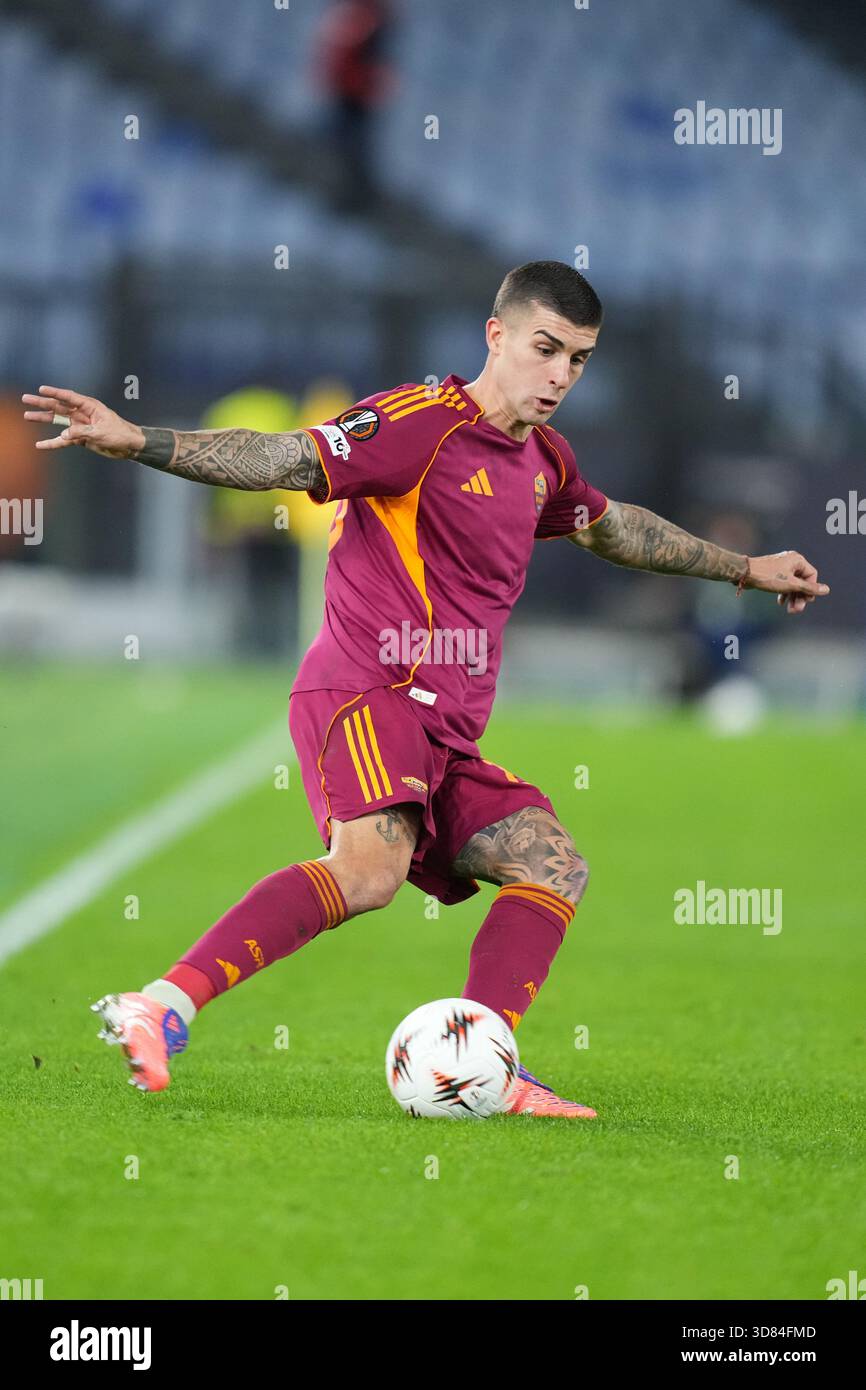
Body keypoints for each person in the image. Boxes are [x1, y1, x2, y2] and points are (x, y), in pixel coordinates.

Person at [22, 261, 829, 1117]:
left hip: (446, 729)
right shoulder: (419, 424)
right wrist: (141, 439)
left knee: (552, 865)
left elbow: (614, 527)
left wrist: (743, 567)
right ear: (497, 336)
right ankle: (161, 1006)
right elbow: (284, 457)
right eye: (545, 348)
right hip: (364, 689)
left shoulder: (544, 460)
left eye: (579, 359)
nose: (560, 374)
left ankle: (486, 1063)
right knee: (368, 873)